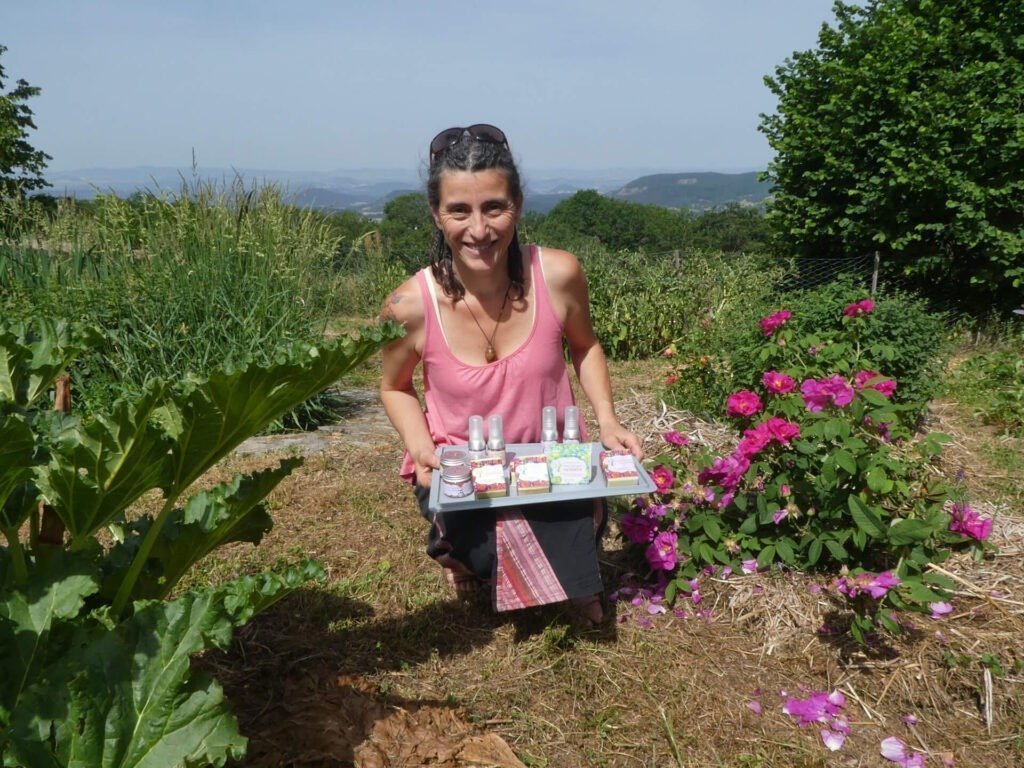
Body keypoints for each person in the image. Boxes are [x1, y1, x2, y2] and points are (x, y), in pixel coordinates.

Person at [379, 124, 643, 625]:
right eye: (460, 211)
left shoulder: (559, 273)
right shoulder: (408, 304)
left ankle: (564, 570)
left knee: (563, 558)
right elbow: (394, 387)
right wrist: (419, 447)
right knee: (491, 555)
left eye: (493, 207)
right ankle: (456, 550)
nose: (479, 230)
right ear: (437, 214)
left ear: (517, 205)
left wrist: (607, 420)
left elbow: (585, 347)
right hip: (467, 468)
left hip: (553, 462)